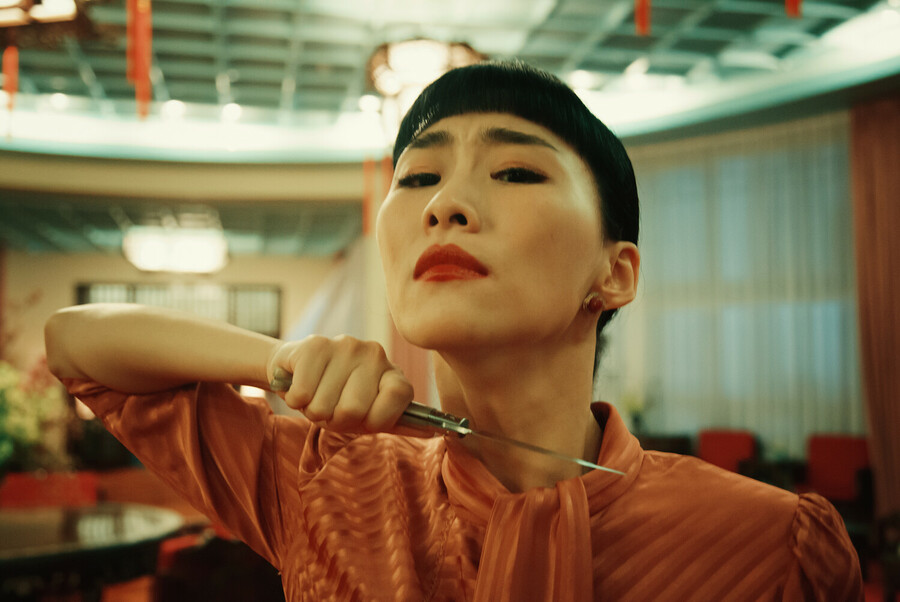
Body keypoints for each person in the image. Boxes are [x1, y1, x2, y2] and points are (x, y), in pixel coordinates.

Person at [44, 61, 862, 601]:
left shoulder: (769, 544)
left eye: (516, 171)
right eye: (419, 177)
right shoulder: (329, 483)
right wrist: (280, 359)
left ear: (614, 273)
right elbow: (77, 344)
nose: (444, 204)